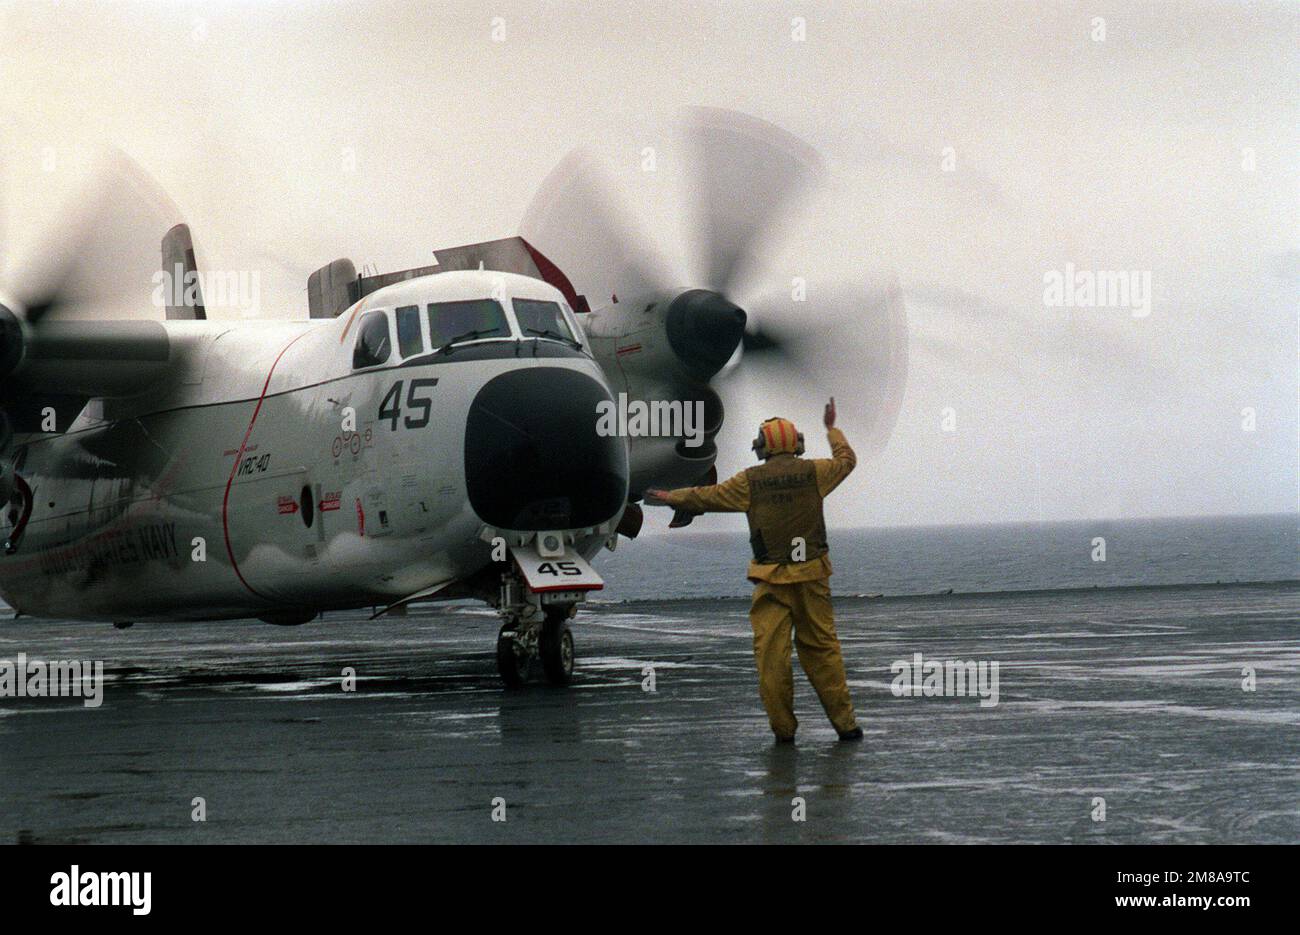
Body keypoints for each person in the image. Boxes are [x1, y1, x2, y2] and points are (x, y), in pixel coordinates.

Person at [648, 398, 863, 743]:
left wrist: (671, 496)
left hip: (771, 581)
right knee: (824, 654)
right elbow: (847, 461)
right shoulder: (815, 473)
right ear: (796, 444)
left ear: (763, 447)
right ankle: (847, 726)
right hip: (812, 578)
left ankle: (784, 732)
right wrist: (832, 429)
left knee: (772, 662)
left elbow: (707, 496)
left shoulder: (750, 482)